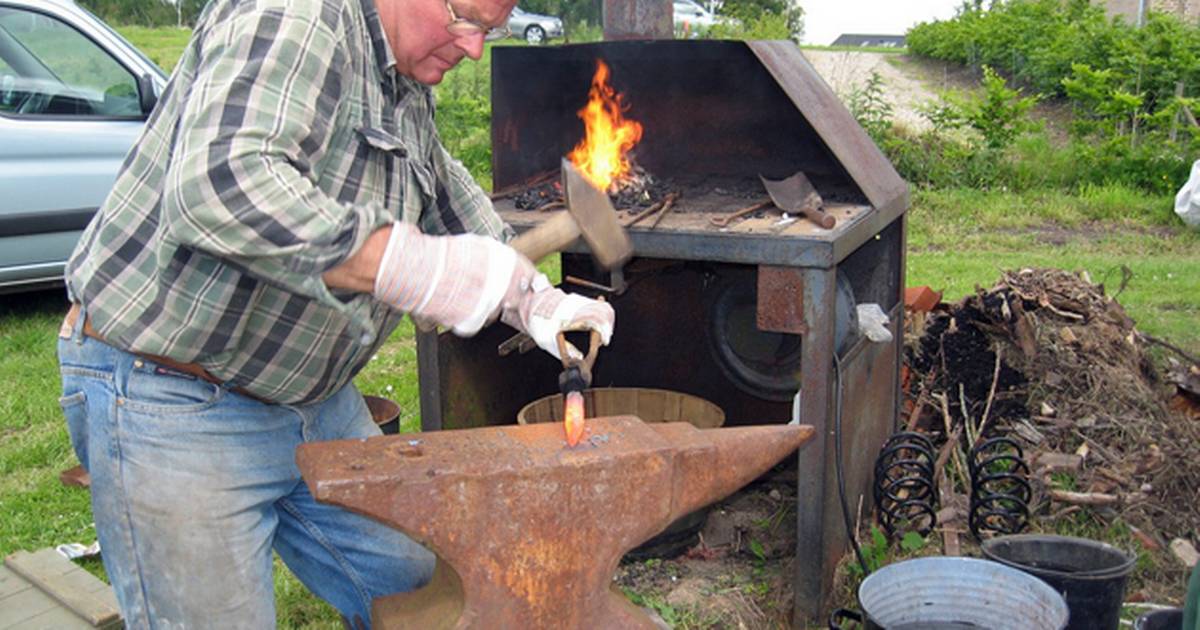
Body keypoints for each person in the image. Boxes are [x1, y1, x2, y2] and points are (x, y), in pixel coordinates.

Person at [56, 0, 614, 625]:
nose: (476, 49)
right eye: (464, 19)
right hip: (172, 394)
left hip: (314, 404)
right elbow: (219, 184)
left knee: (422, 592)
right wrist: (410, 266)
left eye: (491, 29)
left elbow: (438, 183)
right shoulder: (292, 14)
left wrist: (533, 299)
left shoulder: (399, 72)